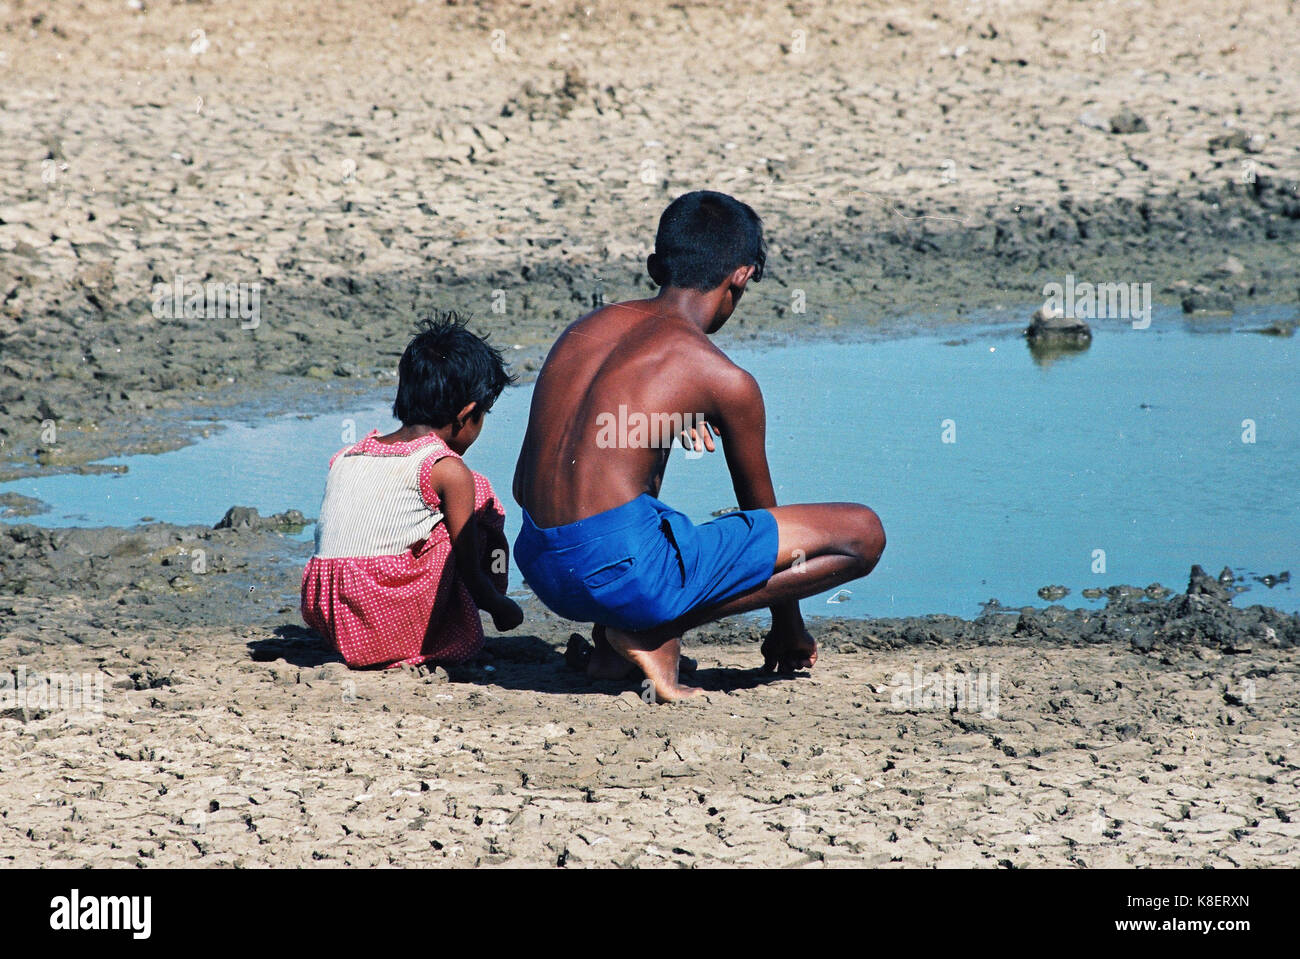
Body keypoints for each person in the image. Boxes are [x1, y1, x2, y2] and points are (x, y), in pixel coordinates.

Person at [512, 191, 885, 702]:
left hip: (542, 567)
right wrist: (788, 629)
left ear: (654, 267)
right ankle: (647, 630)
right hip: (623, 577)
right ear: (742, 276)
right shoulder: (721, 377)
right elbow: (762, 513)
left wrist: (659, 430)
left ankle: (614, 634)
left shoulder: (582, 331)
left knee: (630, 503)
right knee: (862, 533)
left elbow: (523, 481)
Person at [302, 314, 523, 669]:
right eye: (483, 416)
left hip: (331, 616)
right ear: (466, 414)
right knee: (479, 499)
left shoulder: (347, 455)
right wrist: (499, 606)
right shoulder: (445, 469)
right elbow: (467, 567)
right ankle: (446, 633)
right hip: (383, 621)